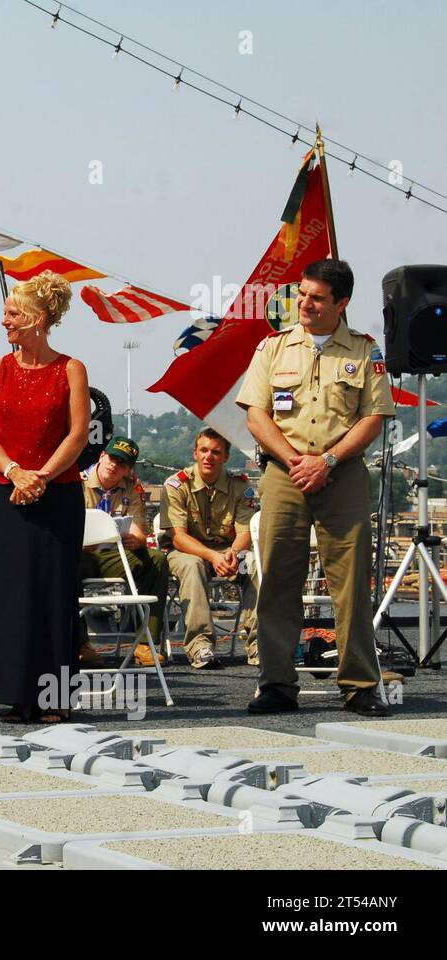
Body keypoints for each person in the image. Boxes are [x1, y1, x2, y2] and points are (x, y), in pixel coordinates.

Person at [236, 258, 395, 716]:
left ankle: (360, 684)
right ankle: (277, 686)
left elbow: (374, 418)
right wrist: (294, 461)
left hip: (341, 475)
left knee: (350, 585)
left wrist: (326, 460)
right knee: (278, 582)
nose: (304, 303)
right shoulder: (273, 348)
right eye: (302, 294)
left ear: (341, 303)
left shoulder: (365, 351)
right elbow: (256, 414)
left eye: (317, 297)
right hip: (284, 475)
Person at [0, 272, 90, 723]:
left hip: (56, 495)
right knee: (10, 595)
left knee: (55, 594)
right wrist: (14, 472)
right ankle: (15, 694)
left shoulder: (72, 369)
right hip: (4, 494)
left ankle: (54, 698)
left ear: (39, 319)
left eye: (12, 313)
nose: (5, 321)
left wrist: (41, 476)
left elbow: (78, 434)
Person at [160, 428, 258, 670]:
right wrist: (213, 556)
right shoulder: (176, 485)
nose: (208, 457)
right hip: (188, 552)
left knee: (255, 563)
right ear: (195, 453)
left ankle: (259, 644)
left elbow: (245, 532)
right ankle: (200, 645)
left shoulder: (240, 486)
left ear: (225, 457)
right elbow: (179, 538)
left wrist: (231, 555)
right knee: (193, 566)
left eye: (216, 452)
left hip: (229, 551)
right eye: (203, 450)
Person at [79, 436, 170, 668]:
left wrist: (137, 539)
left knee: (157, 560)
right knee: (64, 564)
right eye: (112, 458)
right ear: (101, 456)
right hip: (82, 553)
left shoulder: (132, 488)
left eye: (122, 463)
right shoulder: (77, 482)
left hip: (114, 553)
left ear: (128, 470)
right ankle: (79, 644)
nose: (114, 465)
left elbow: (140, 530)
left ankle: (145, 644)